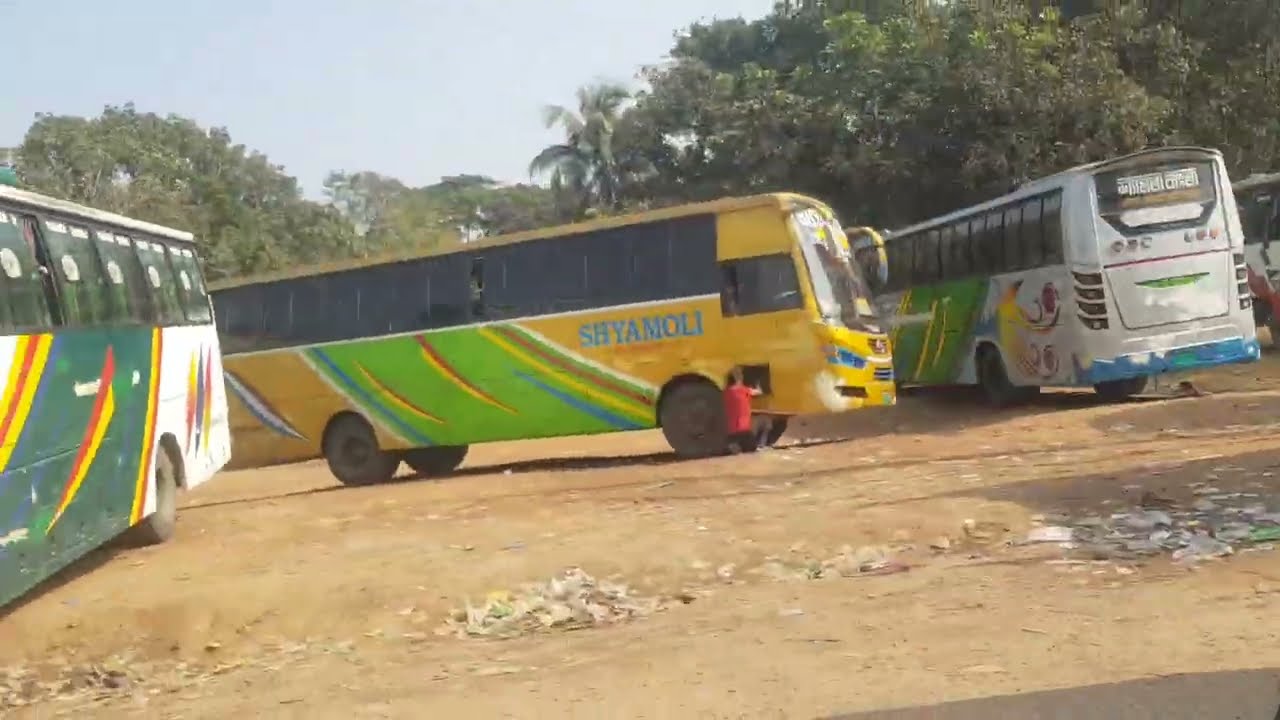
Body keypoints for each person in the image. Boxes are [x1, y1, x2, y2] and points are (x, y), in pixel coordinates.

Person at [723, 366, 764, 454]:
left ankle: (733, 447)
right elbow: (759, 392)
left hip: (730, 431)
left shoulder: (725, 392)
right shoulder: (744, 390)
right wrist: (758, 383)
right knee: (752, 451)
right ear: (739, 379)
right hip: (743, 429)